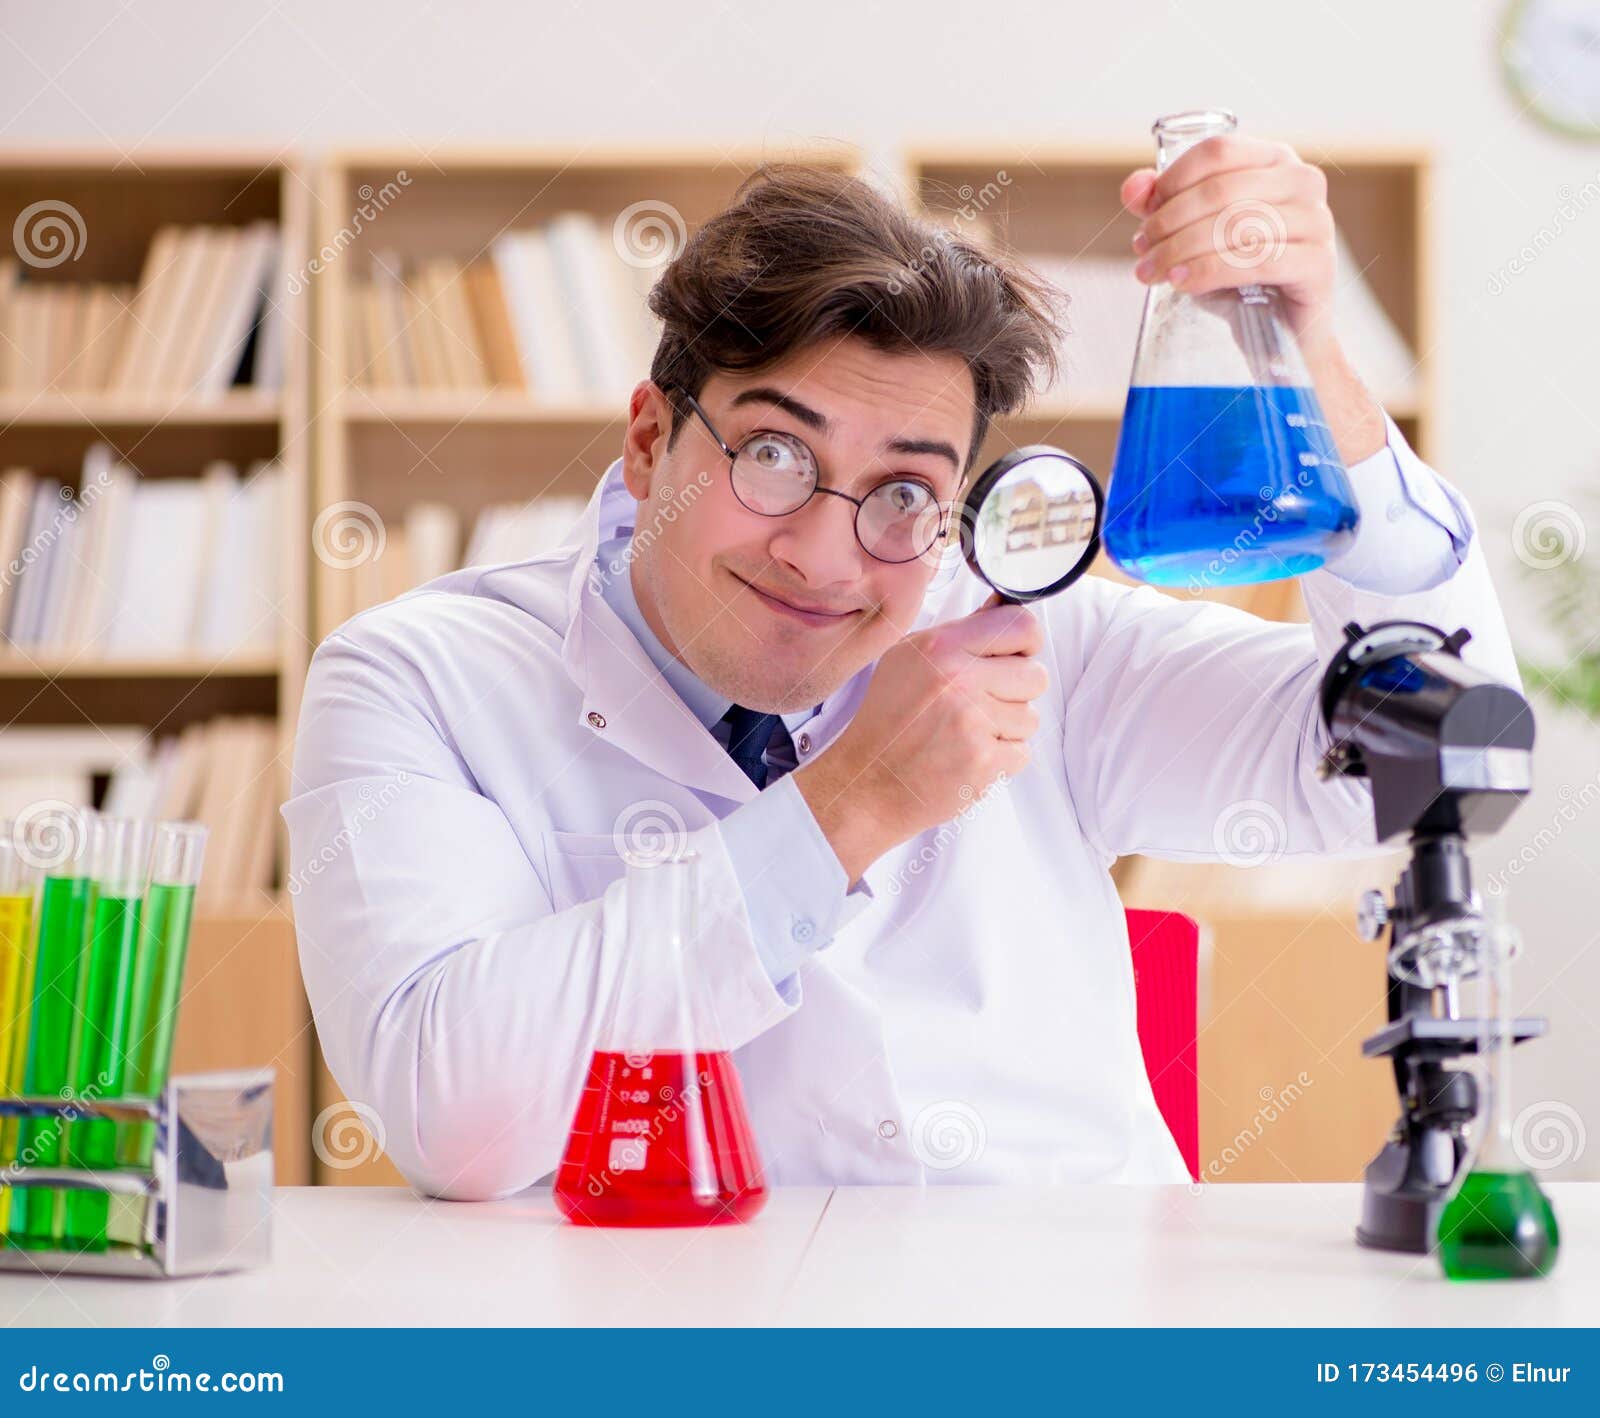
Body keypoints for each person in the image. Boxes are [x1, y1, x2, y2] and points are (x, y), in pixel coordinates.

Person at [283, 147, 1517, 1199]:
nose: (826, 557)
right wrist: (850, 804)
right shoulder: (418, 678)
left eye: (906, 493)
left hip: (1084, 1316)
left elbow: (1435, 746)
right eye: (773, 454)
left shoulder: (1041, 636)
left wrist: (1308, 363)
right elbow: (452, 1119)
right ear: (652, 439)